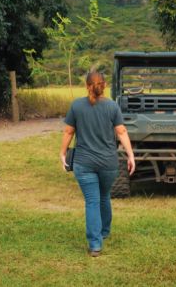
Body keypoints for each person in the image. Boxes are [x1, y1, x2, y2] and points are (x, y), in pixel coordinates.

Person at [60, 71, 136, 257]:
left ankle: (95, 244)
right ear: (104, 85)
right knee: (104, 196)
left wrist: (62, 153)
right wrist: (131, 156)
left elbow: (69, 132)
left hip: (84, 163)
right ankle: (104, 231)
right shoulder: (112, 106)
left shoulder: (77, 106)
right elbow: (122, 131)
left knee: (92, 201)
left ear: (87, 85)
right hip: (108, 163)